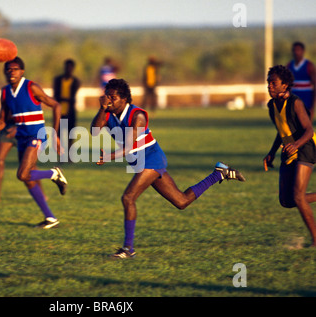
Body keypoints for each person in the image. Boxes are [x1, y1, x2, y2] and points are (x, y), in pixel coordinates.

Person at [91, 79, 246, 259]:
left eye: (113, 97)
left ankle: (128, 249)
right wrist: (102, 109)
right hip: (140, 163)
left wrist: (107, 156)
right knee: (181, 202)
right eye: (107, 96)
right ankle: (218, 174)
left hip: (152, 158)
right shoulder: (108, 114)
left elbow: (128, 145)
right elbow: (94, 131)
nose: (109, 100)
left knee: (128, 197)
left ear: (124, 99)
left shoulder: (137, 115)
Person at [0, 57, 68, 229]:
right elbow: (2, 121)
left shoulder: (31, 87)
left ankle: (54, 173)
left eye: (15, 69)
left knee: (22, 174)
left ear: (22, 71)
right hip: (22, 138)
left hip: (36, 136)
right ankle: (50, 218)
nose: (11, 71)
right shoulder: (5, 92)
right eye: (8, 69)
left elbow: (56, 105)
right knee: (28, 179)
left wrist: (55, 134)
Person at [263, 65, 316, 248]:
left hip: (305, 147)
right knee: (287, 201)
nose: (269, 86)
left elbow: (309, 130)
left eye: (273, 83)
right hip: (289, 151)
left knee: (299, 197)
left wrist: (296, 144)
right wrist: (271, 153)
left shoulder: (296, 103)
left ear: (285, 85)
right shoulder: (272, 106)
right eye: (268, 83)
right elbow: (281, 131)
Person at [53, 59, 81, 159]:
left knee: (70, 134)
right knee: (60, 134)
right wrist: (66, 99)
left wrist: (63, 99)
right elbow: (56, 96)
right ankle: (62, 155)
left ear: (73, 68)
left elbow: (72, 98)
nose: (68, 69)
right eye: (67, 67)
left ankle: (70, 155)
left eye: (70, 67)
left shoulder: (75, 81)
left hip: (70, 112)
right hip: (60, 112)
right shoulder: (58, 80)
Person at [287, 42, 316, 121]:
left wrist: (312, 107)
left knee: (305, 126)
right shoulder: (289, 65)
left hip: (306, 100)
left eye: (298, 50)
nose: (296, 52)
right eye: (294, 50)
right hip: (293, 100)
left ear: (303, 51)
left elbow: (315, 86)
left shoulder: (309, 66)